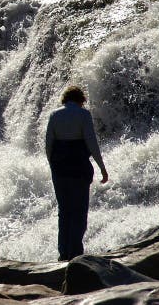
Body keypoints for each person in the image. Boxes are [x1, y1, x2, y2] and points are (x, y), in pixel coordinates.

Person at [45, 86, 109, 261]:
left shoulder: (54, 115)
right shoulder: (83, 115)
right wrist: (102, 168)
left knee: (64, 211)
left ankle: (63, 252)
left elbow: (48, 145)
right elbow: (92, 143)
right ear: (81, 100)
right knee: (79, 212)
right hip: (79, 168)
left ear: (65, 99)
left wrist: (53, 166)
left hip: (59, 170)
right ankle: (75, 253)